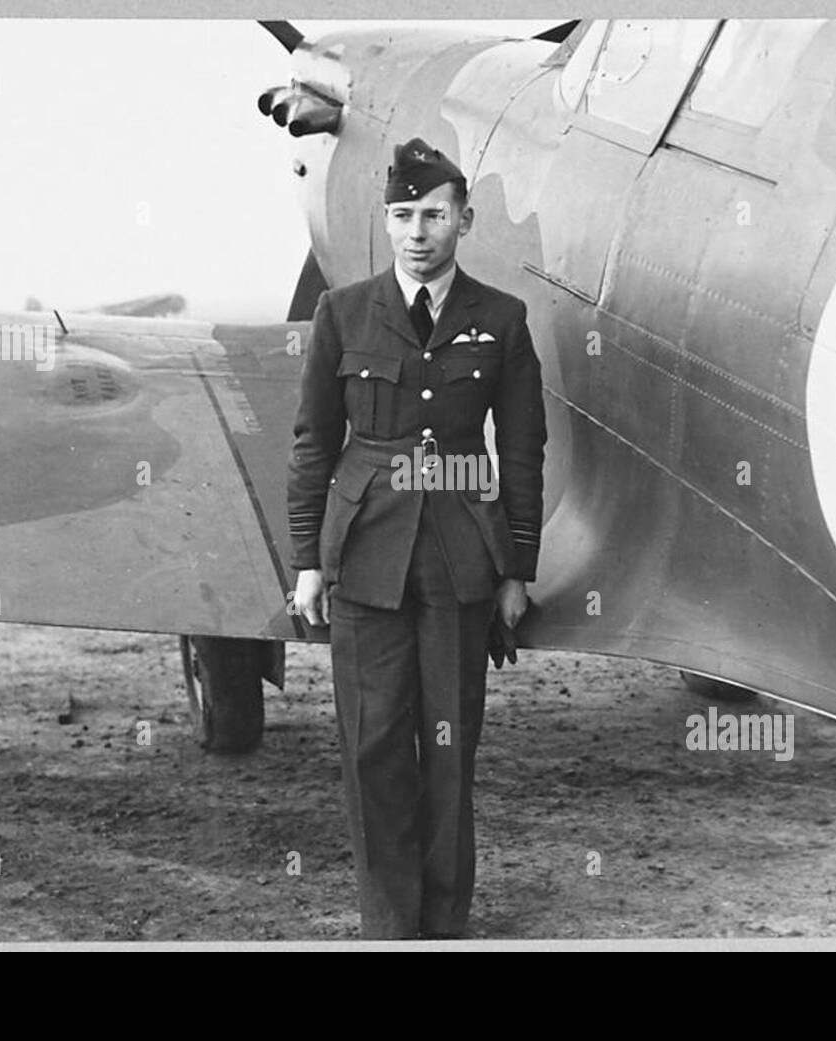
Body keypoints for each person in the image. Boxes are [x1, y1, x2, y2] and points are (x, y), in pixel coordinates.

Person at [288, 137, 546, 939]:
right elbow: (312, 443)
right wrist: (305, 562)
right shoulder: (343, 312)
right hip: (365, 554)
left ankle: (445, 919)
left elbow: (525, 446)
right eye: (402, 215)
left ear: (464, 220)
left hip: (461, 560)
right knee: (371, 747)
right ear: (387, 219)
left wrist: (519, 567)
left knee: (449, 747)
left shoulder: (501, 320)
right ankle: (390, 924)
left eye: (434, 214)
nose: (416, 231)